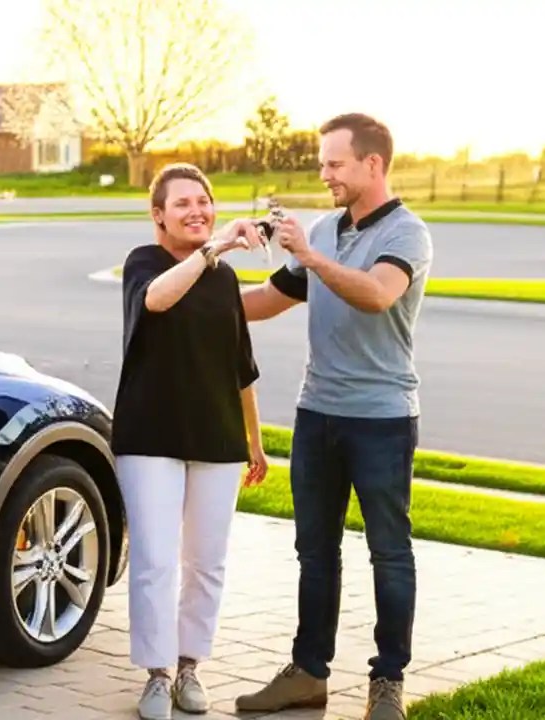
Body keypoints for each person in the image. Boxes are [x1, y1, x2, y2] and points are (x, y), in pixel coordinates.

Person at [230, 113, 433, 720]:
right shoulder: (323, 227)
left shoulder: (408, 234)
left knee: (388, 552)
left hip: (381, 419)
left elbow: (375, 294)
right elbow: (271, 298)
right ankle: (309, 672)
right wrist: (195, 297)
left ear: (373, 164)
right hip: (316, 414)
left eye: (335, 164)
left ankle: (388, 681)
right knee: (314, 552)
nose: (324, 174)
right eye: (322, 163)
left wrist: (311, 257)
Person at [111, 163, 269, 719]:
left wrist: (255, 438)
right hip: (149, 434)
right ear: (159, 216)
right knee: (155, 559)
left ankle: (189, 668)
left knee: (206, 561)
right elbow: (157, 301)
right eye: (182, 204)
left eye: (204, 201)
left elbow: (241, 366)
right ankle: (155, 674)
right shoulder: (144, 264)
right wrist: (215, 249)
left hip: (218, 436)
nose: (197, 211)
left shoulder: (225, 279)